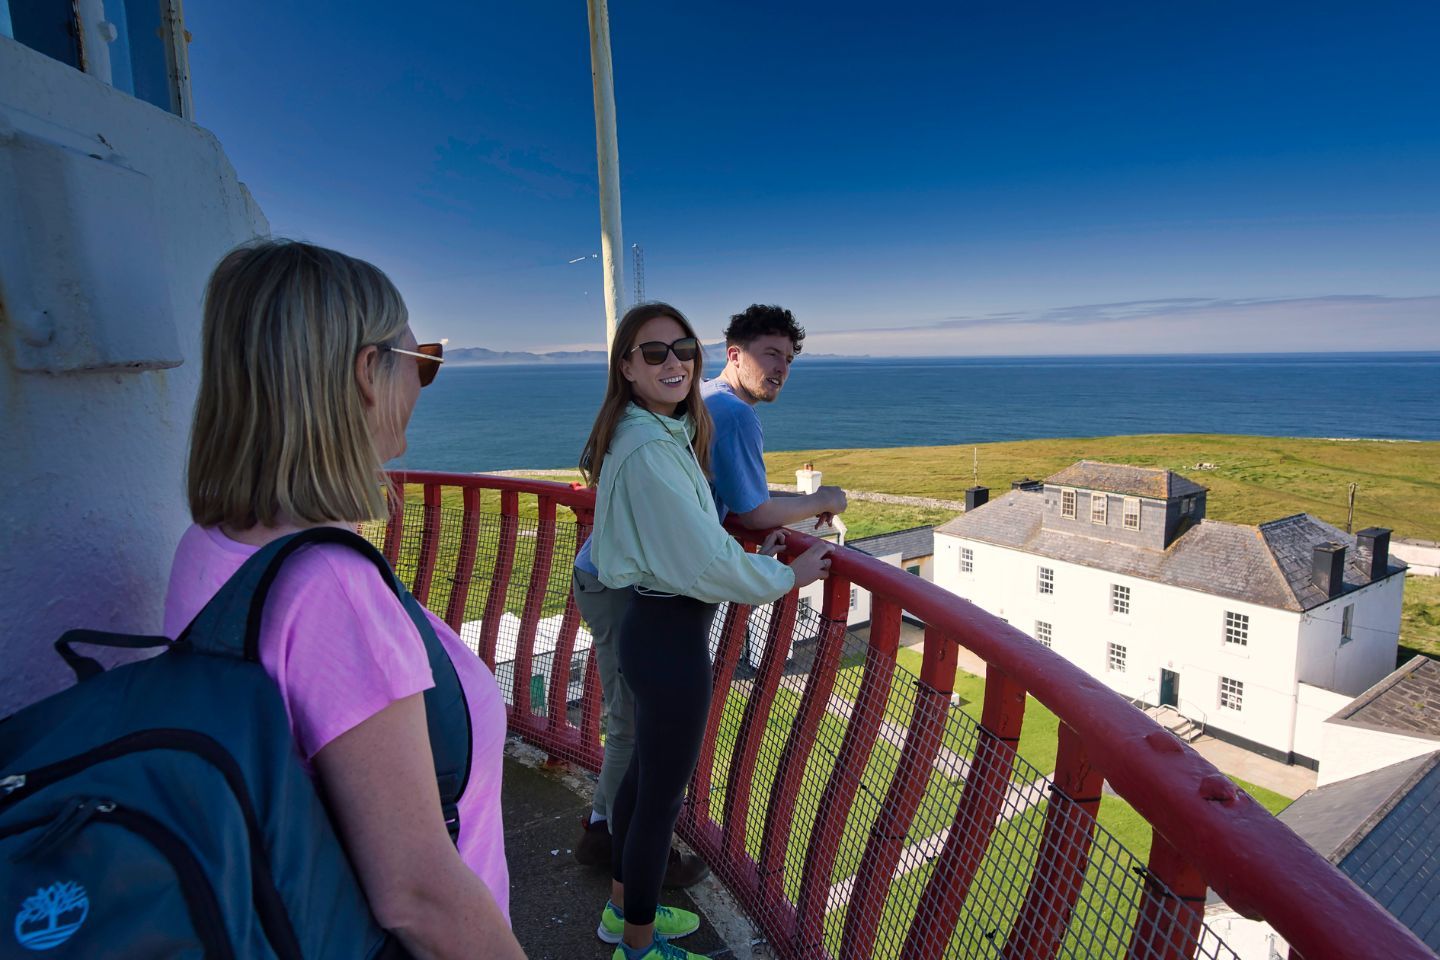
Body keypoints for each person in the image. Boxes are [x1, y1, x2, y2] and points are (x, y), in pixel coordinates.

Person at [163, 240, 524, 960]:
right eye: (421, 359)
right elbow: (416, 894)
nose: (424, 380)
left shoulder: (209, 545)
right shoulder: (330, 587)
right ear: (368, 374)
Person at [579, 302, 833, 960]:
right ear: (628, 368)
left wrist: (754, 552)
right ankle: (636, 949)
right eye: (654, 352)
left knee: (641, 781)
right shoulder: (650, 449)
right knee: (659, 797)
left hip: (654, 624)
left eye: (682, 349)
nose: (674, 363)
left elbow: (690, 537)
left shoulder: (653, 431)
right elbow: (701, 560)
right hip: (667, 634)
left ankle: (619, 914)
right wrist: (788, 574)